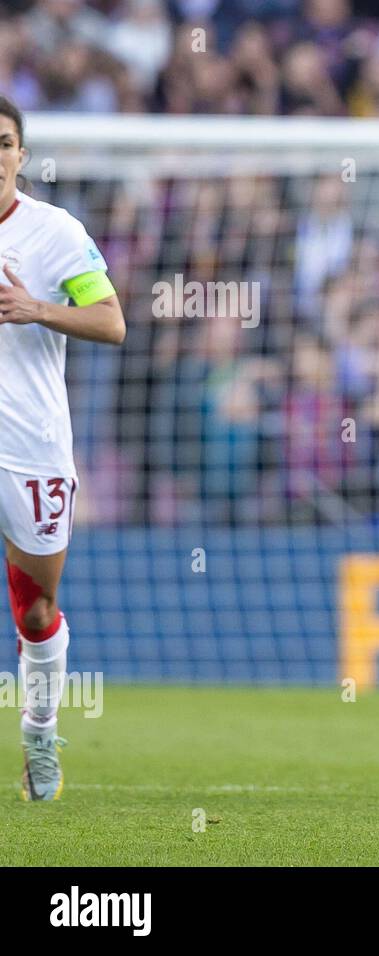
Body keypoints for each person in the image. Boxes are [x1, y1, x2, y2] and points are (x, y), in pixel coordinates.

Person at [0, 95, 126, 800]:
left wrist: (35, 308)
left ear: (20, 154)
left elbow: (112, 323)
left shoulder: (54, 233)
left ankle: (40, 734)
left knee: (36, 612)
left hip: (30, 446)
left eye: (4, 142)